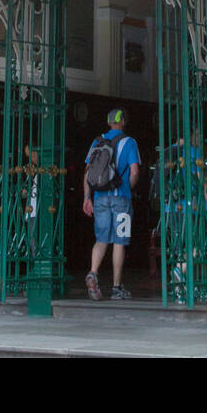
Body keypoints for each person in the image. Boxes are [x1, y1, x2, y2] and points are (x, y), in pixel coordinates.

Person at [83, 107, 140, 301]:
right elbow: (134, 172)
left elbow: (88, 173)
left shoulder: (97, 142)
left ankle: (93, 272)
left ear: (109, 122)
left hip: (99, 198)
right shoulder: (129, 142)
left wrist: (87, 198)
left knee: (101, 239)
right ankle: (116, 288)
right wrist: (127, 190)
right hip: (120, 199)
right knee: (119, 241)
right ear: (123, 121)